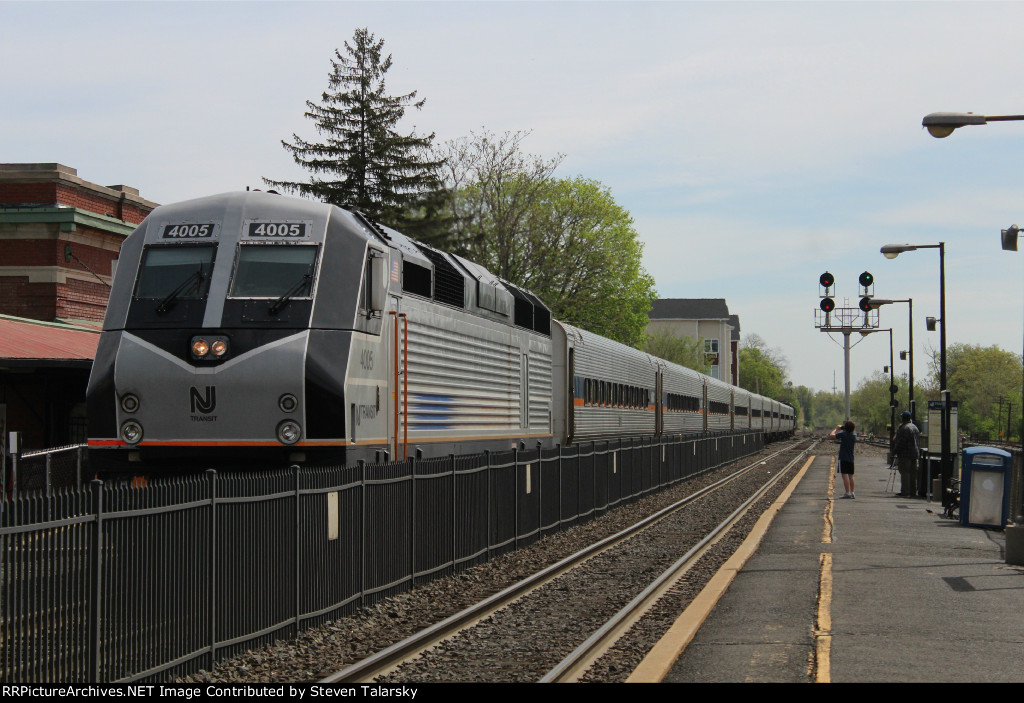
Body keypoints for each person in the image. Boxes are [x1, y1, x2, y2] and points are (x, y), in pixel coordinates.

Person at [892, 411, 921, 497]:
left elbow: (901, 442)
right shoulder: (915, 427)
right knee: (913, 473)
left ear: (903, 418)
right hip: (914, 454)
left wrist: (894, 452)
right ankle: (913, 491)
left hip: (905, 454)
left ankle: (905, 491)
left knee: (905, 472)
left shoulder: (904, 428)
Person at [829, 420, 857, 499]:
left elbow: (831, 435)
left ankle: (847, 493)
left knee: (844, 476)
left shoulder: (843, 434)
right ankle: (852, 493)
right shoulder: (854, 435)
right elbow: (849, 429)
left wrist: (837, 428)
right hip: (851, 458)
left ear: (845, 428)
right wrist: (844, 428)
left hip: (843, 458)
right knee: (851, 476)